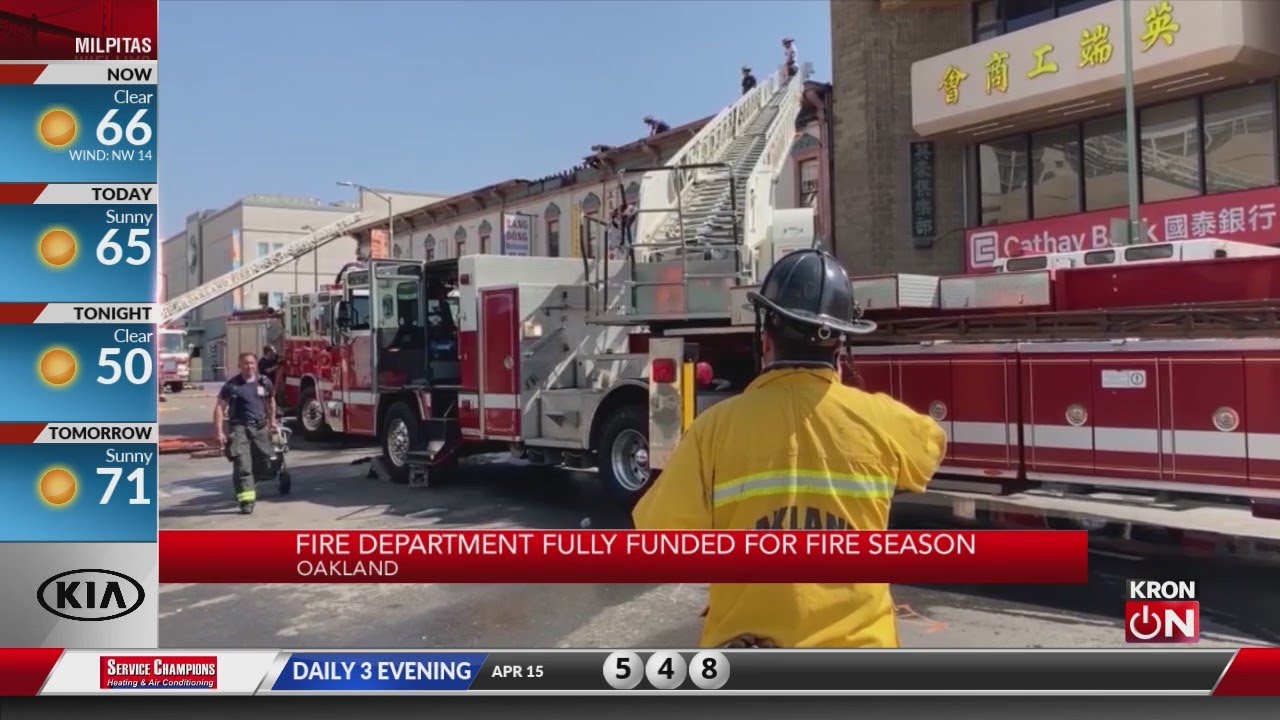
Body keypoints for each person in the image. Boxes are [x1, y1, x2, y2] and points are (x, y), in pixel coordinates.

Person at [631, 249, 947, 649]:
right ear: (840, 345)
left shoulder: (713, 430)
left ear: (765, 340)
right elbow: (931, 445)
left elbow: (661, 538)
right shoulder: (883, 421)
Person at [213, 352, 280, 515]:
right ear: (239, 366)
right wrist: (219, 432)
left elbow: (271, 401)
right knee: (243, 465)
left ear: (256, 365)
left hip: (260, 427)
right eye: (245, 363)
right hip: (239, 428)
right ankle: (246, 502)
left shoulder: (264, 382)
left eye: (251, 363)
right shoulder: (231, 386)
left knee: (266, 462)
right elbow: (220, 408)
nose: (249, 366)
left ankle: (248, 483)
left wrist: (272, 421)